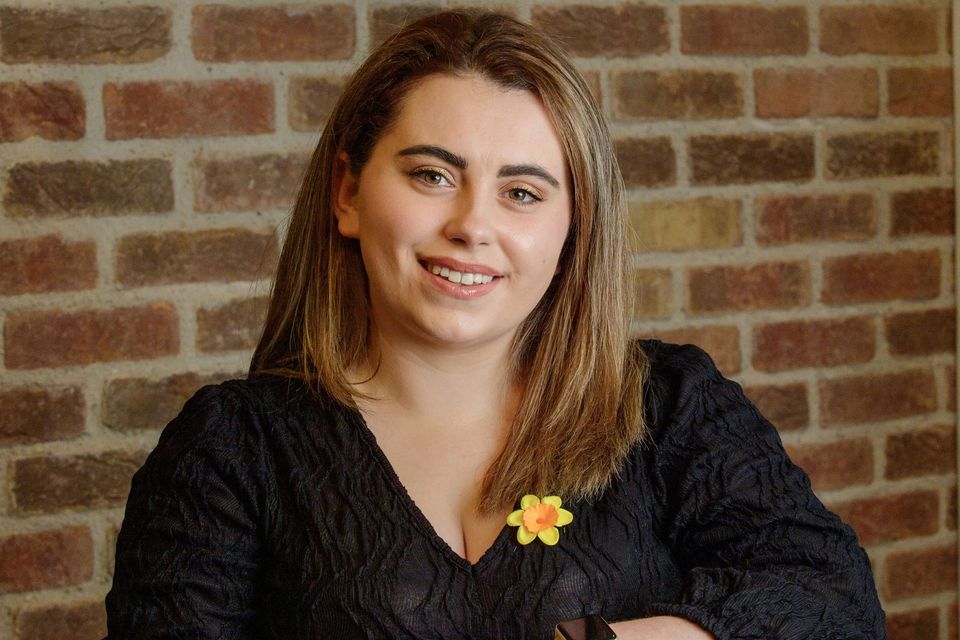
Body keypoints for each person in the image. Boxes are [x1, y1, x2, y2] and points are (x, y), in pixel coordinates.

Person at [105, 10, 886, 640]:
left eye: (522, 193)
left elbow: (834, 603)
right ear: (347, 192)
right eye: (432, 175)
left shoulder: (671, 407)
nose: (472, 225)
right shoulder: (230, 452)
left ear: (572, 229)